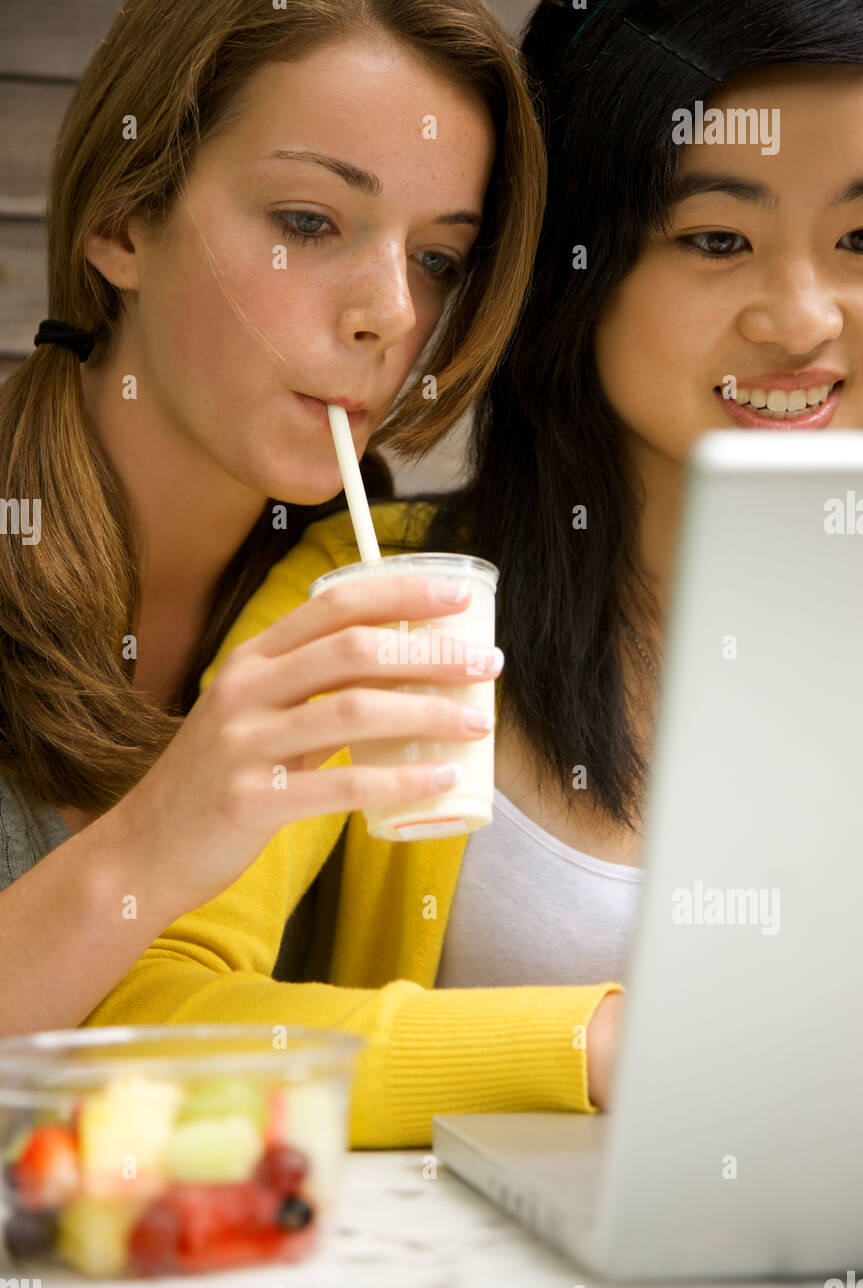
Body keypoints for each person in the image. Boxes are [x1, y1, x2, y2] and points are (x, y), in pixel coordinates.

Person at [87, 0, 863, 1147]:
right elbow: (148, 1025)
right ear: (573, 267)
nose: (801, 320)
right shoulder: (388, 594)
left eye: (859, 242)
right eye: (713, 238)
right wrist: (596, 1046)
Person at [0, 0, 547, 1040]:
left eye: (435, 258)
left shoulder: (360, 585)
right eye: (308, 221)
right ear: (123, 220)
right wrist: (153, 838)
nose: (388, 312)